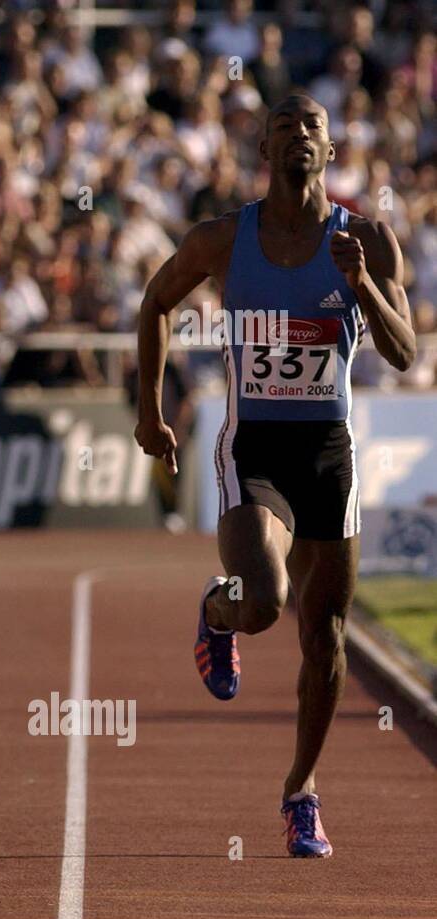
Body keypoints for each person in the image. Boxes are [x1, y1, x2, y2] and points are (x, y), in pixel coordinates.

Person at [134, 94, 415, 857]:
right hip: (253, 445)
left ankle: (300, 791)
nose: (300, 133)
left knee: (324, 636)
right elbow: (156, 302)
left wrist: (360, 287)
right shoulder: (224, 240)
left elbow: (404, 353)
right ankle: (219, 613)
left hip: (328, 451)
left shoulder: (366, 239)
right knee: (264, 603)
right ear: (263, 146)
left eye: (314, 124)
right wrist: (149, 410)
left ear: (331, 147)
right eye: (285, 124)